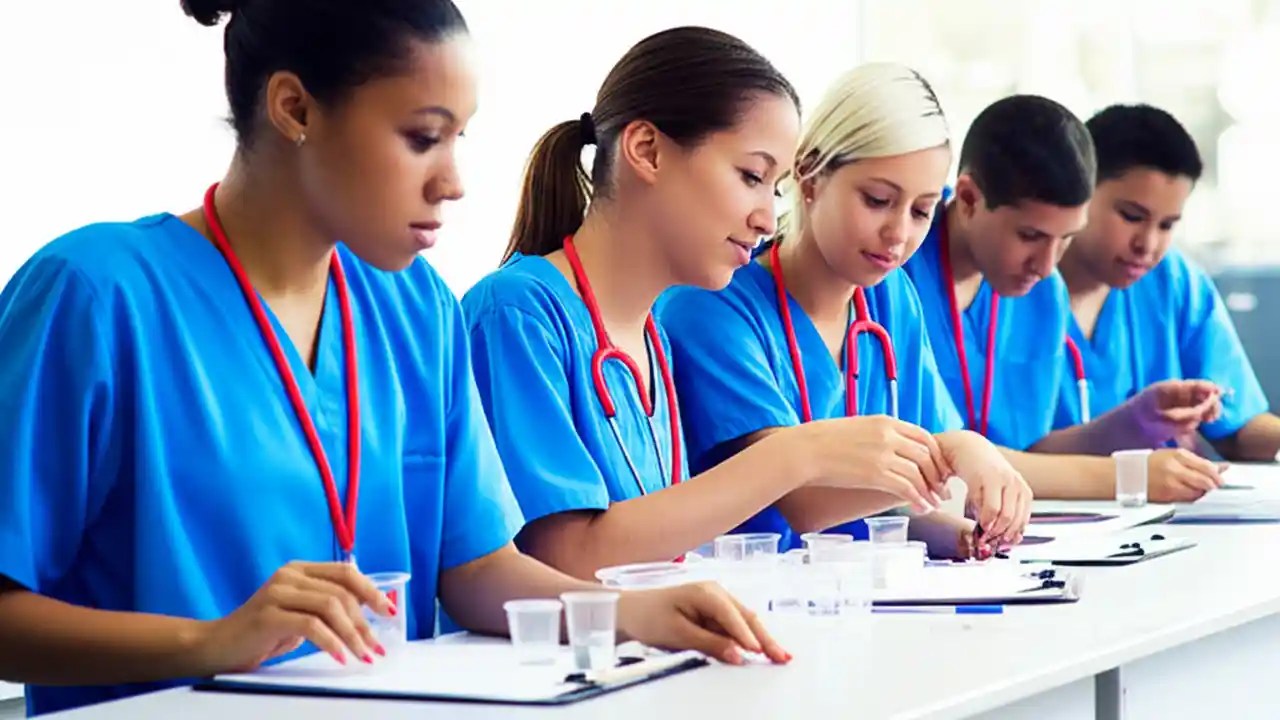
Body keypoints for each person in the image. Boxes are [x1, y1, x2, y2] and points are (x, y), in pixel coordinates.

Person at [0, 3, 790, 716]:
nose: (452, 181)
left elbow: (477, 570)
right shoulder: (96, 295)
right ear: (295, 108)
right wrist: (209, 643)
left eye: (459, 139)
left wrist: (639, 614)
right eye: (421, 138)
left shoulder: (416, 310)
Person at [462, 28, 985, 582]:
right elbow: (565, 558)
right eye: (751, 177)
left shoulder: (650, 339)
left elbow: (662, 549)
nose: (766, 217)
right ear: (647, 151)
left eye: (773, 188)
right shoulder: (517, 314)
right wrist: (798, 454)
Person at [657, 63, 1032, 556]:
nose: (899, 234)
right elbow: (805, 503)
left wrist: (959, 537)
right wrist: (958, 449)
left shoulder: (890, 298)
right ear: (810, 176)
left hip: (851, 593)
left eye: (921, 211)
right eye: (878, 200)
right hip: (748, 598)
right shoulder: (713, 304)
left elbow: (882, 507)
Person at [904, 95, 1225, 501]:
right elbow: (946, 464)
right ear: (968, 200)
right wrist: (1127, 477)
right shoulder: (898, 279)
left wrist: (1134, 423)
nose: (1045, 264)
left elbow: (1033, 452)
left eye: (1066, 239)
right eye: (1030, 236)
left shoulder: (1043, 293)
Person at [1053, 103, 1279, 461]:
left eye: (1167, 225)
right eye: (1131, 216)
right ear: (1078, 188)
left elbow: (1237, 428)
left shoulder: (1174, 283)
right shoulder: (1013, 287)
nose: (1148, 245)